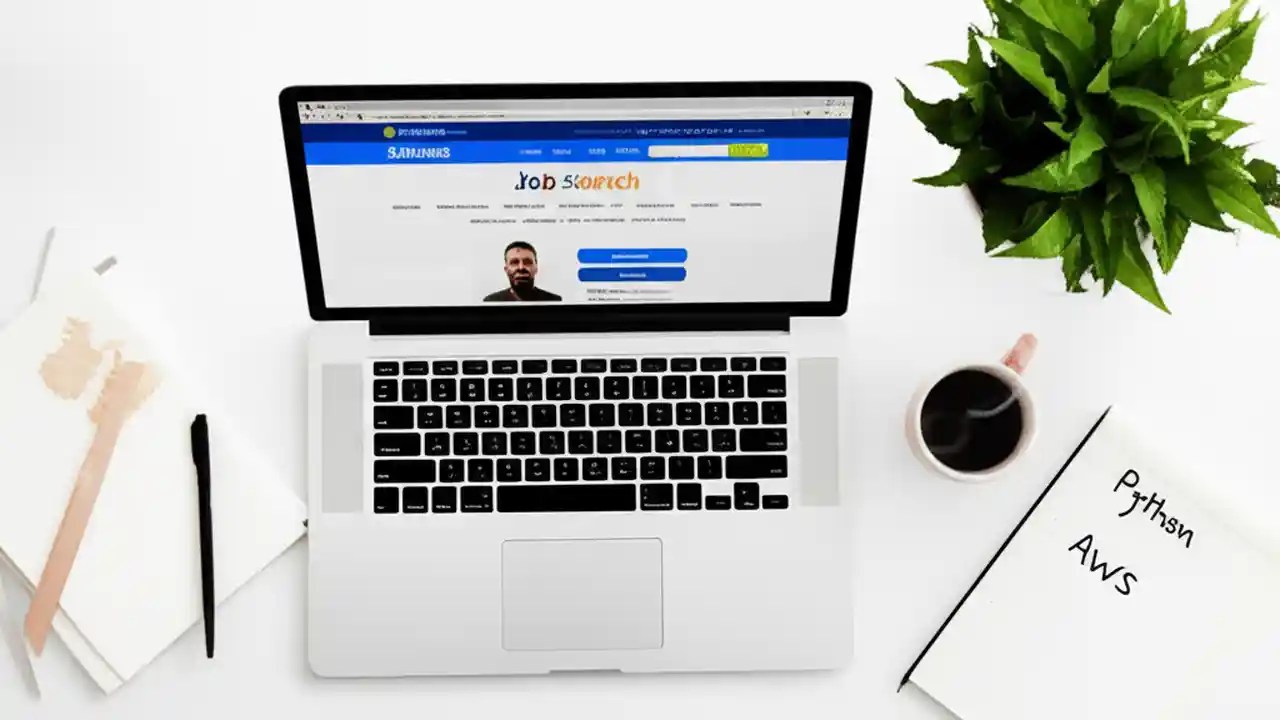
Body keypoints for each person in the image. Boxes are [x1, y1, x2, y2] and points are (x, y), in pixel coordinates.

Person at [482, 241, 562, 302]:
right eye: (514, 262)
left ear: (536, 268)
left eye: (527, 262)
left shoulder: (554, 300)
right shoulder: (492, 301)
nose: (521, 267)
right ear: (506, 269)